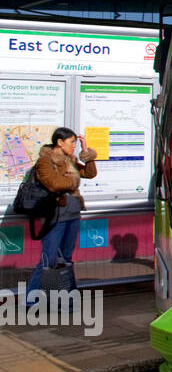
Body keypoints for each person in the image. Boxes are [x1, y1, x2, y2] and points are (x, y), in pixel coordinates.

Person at [28, 128, 97, 304]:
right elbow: (53, 184)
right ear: (60, 142)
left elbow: (90, 173)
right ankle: (32, 299)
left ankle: (64, 297)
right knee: (49, 258)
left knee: (66, 258)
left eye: (75, 142)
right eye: (71, 142)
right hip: (55, 215)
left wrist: (86, 152)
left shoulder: (71, 160)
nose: (74, 146)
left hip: (73, 213)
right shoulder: (45, 161)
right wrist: (73, 181)